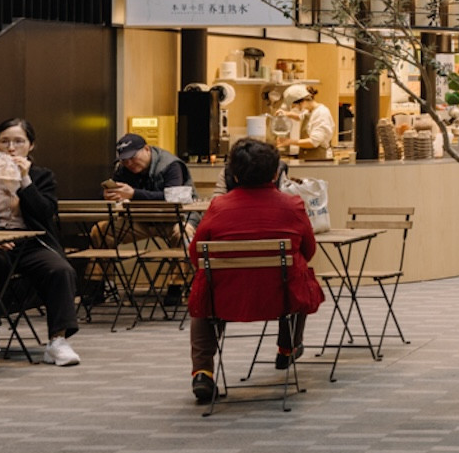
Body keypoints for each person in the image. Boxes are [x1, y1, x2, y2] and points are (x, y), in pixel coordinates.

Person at [185, 136, 325, 405]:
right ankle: (287, 348)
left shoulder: (218, 207)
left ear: (235, 175)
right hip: (280, 296)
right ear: (275, 173)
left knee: (203, 297)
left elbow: (196, 255)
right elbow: (308, 251)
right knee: (300, 277)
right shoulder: (293, 205)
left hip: (225, 298)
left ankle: (203, 371)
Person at [0, 117, 82, 367]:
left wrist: (25, 181)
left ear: (31, 145)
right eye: (4, 142)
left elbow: (45, 212)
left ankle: (57, 341)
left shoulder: (42, 176)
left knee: (60, 270)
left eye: (18, 141)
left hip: (33, 244)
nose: (11, 148)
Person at [106, 132, 190, 202]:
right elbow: (111, 190)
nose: (129, 163)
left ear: (146, 149)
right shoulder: (123, 168)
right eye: (124, 160)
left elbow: (174, 197)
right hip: (141, 214)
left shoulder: (170, 165)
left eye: (132, 157)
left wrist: (134, 194)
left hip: (181, 214)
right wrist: (109, 195)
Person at [282, 83, 336, 149]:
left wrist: (290, 142)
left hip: (318, 154)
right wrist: (286, 113)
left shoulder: (321, 113)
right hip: (308, 153)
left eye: (295, 106)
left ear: (302, 101)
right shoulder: (310, 111)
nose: (296, 109)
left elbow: (313, 142)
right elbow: (300, 116)